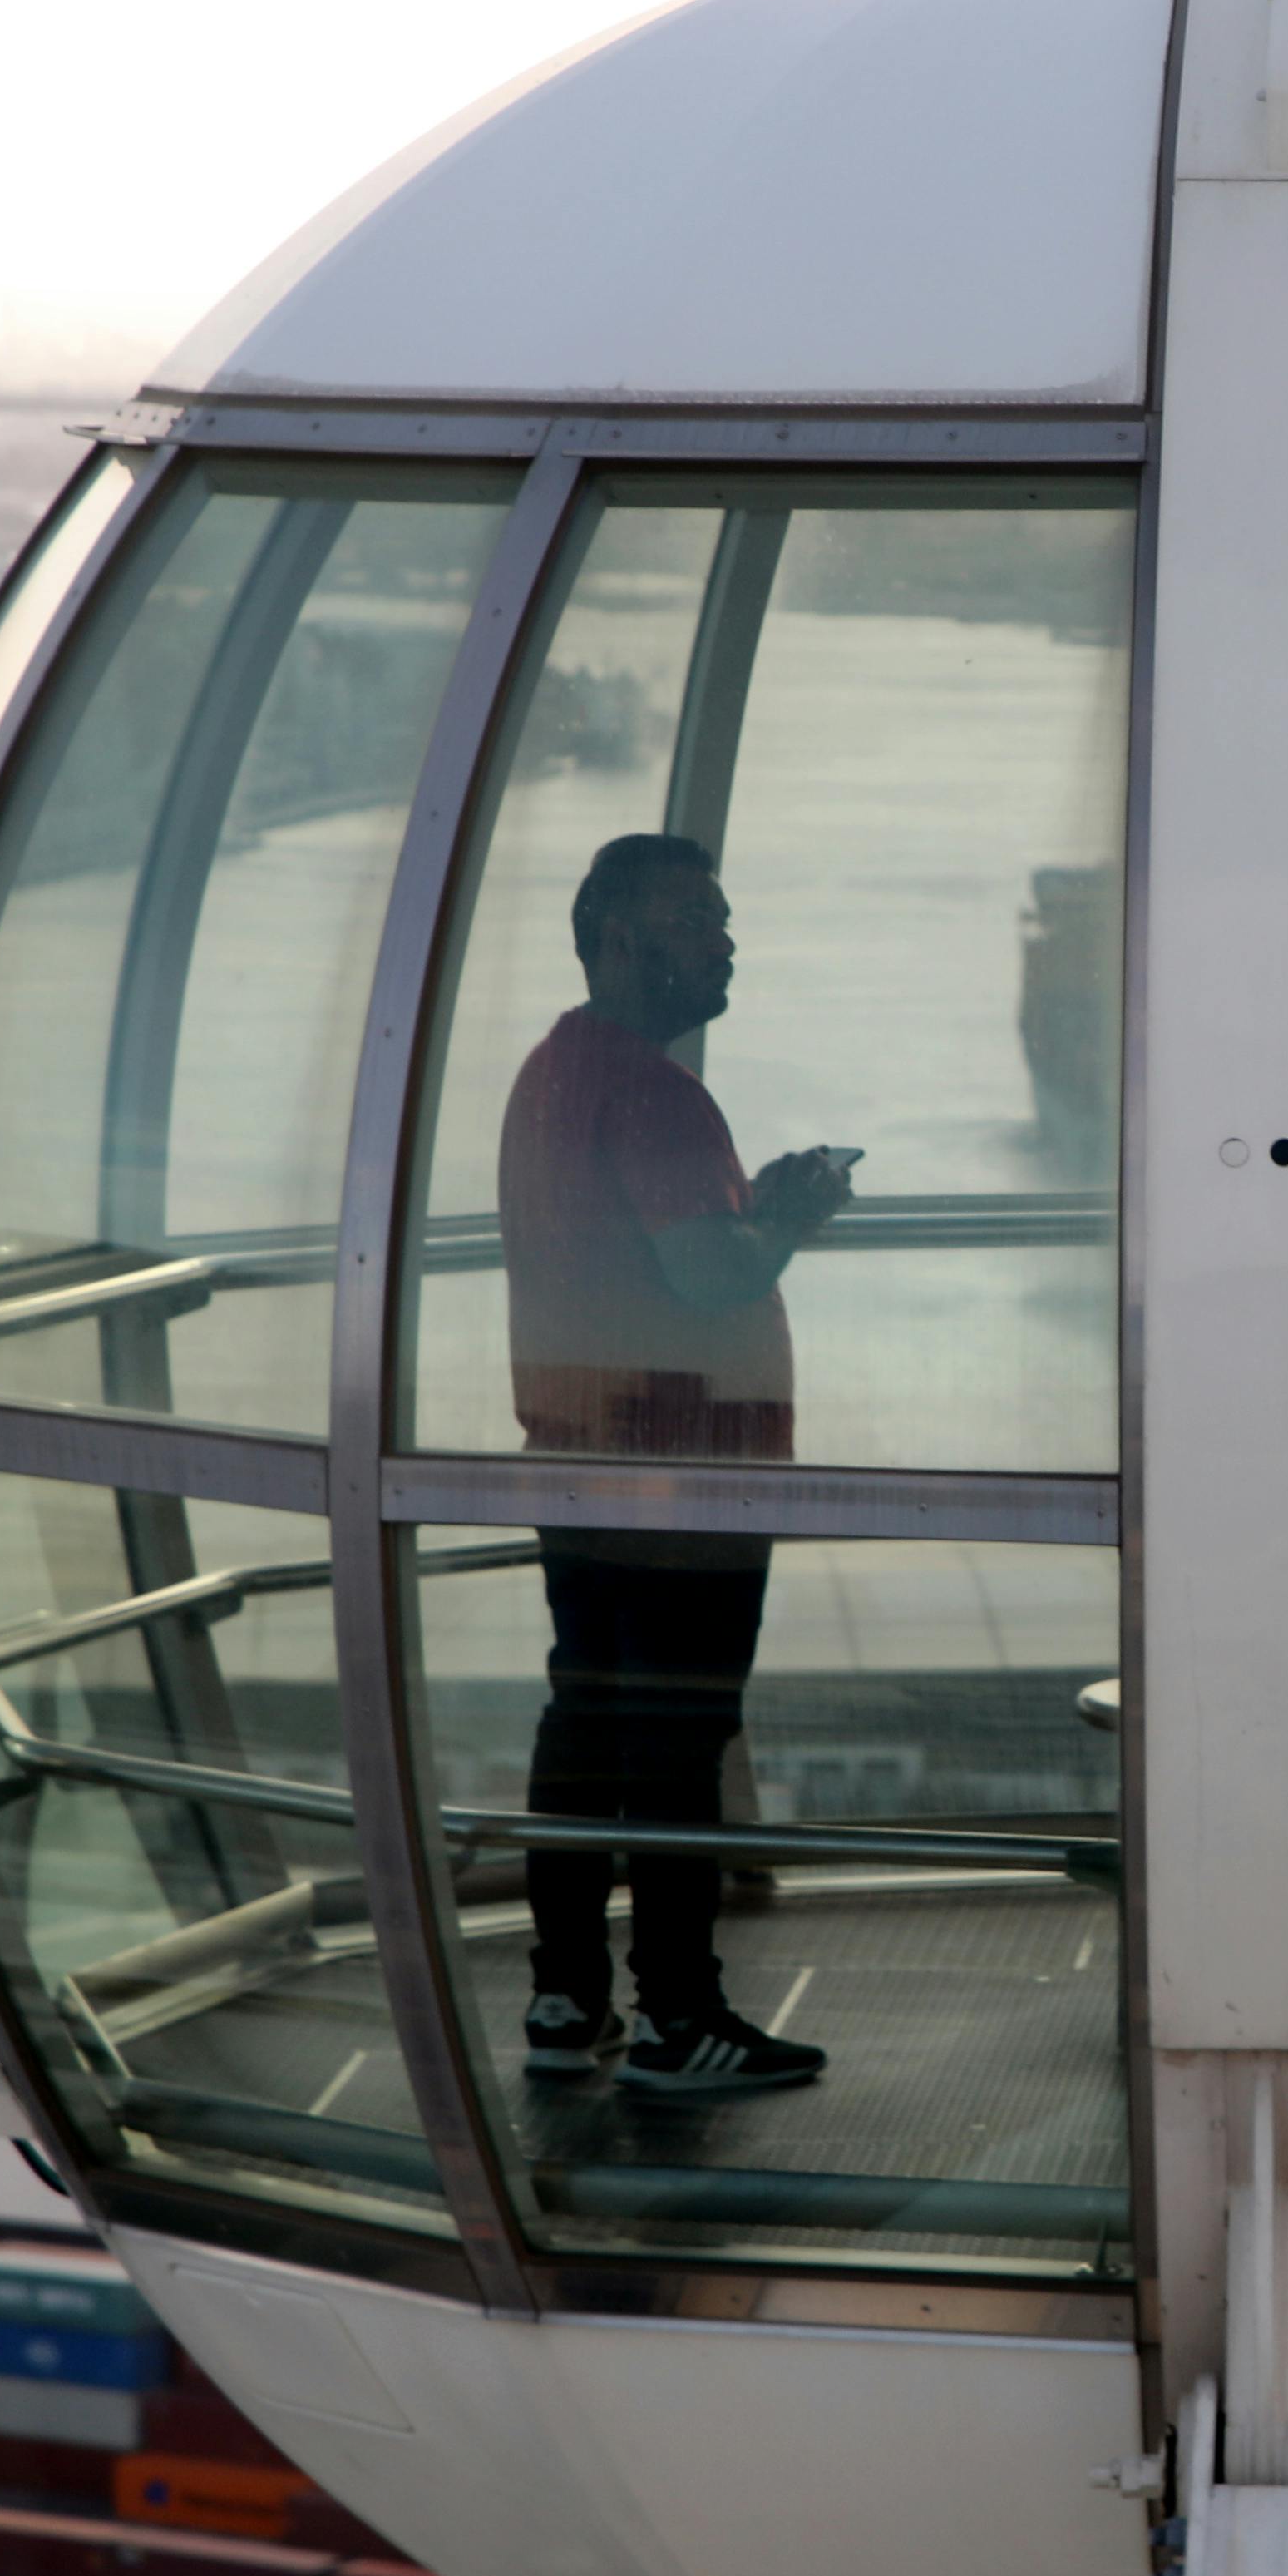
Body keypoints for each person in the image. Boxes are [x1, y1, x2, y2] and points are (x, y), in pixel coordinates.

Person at [496, 831, 851, 2094]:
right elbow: (710, 1275)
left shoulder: (553, 1073)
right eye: (698, 919)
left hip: (578, 1458)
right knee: (679, 1743)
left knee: (584, 1721)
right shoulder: (654, 1092)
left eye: (723, 918)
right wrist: (792, 1217)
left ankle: (563, 1996)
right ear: (621, 941)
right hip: (681, 1478)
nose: (725, 940)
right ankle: (680, 2017)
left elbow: (636, 1253)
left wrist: (746, 1208)